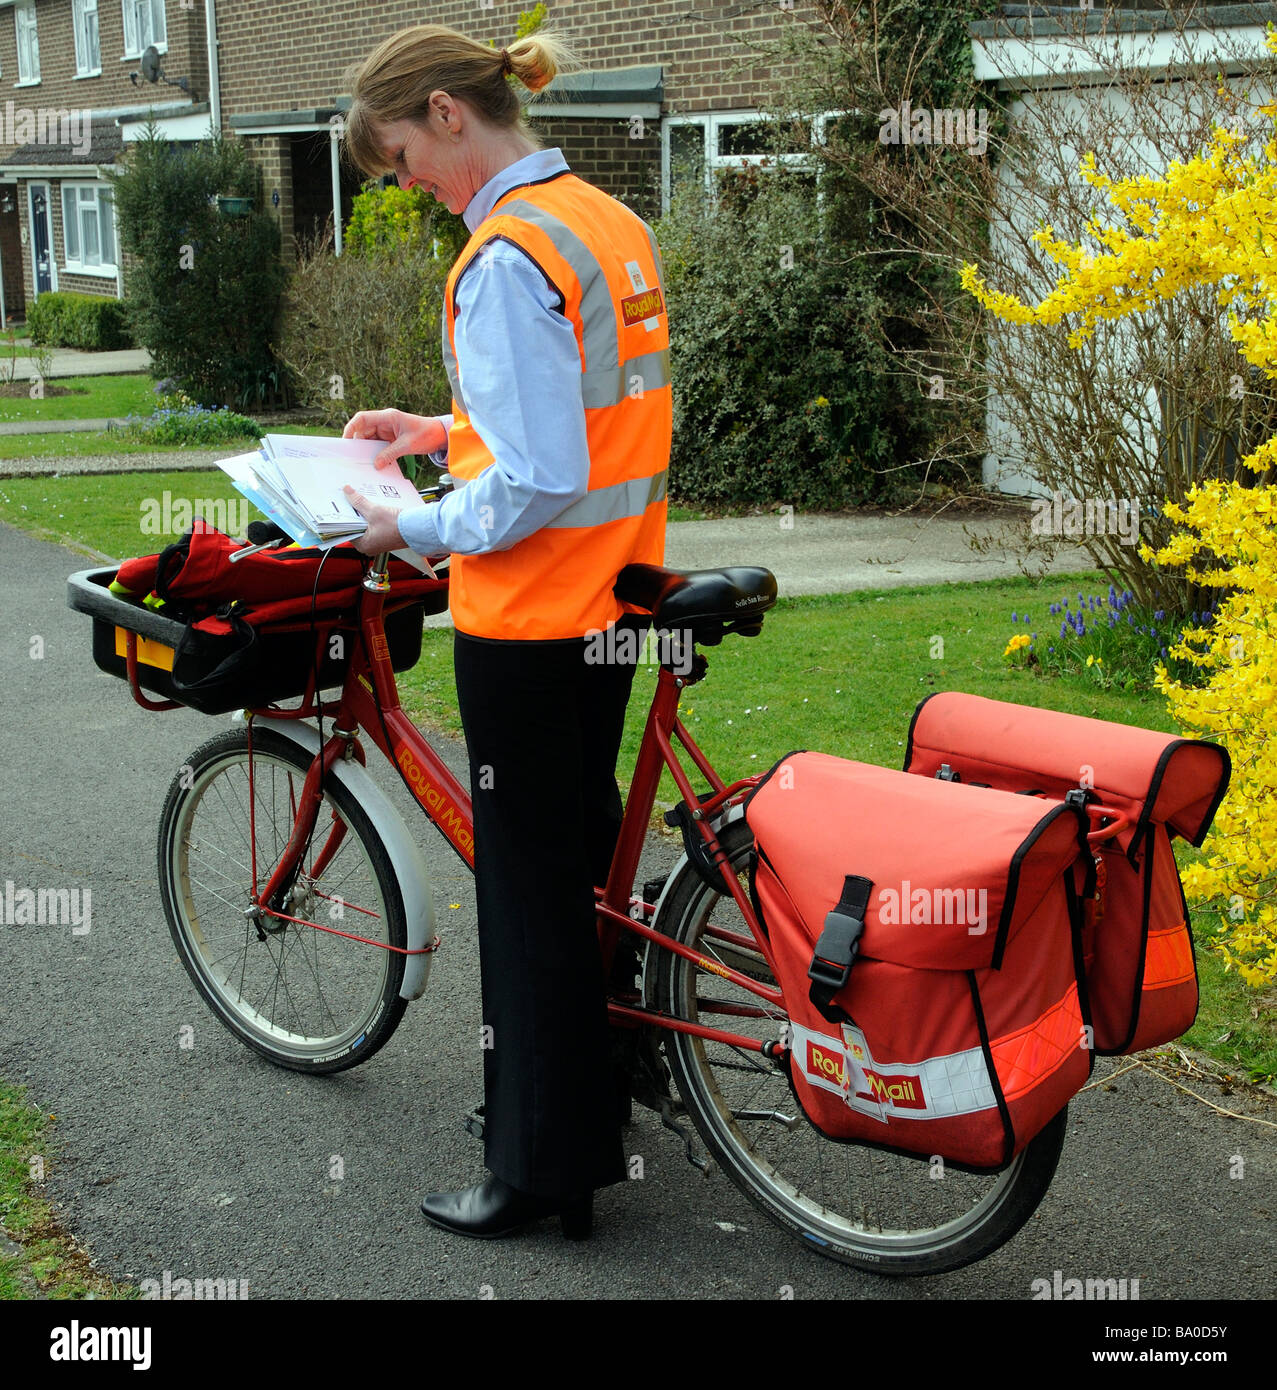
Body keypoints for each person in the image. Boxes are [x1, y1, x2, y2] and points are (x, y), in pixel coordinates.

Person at [337, 24, 671, 1241]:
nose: (410, 186)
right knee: (579, 870)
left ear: (445, 111)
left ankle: (540, 1173)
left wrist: (411, 526)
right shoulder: (602, 221)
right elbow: (579, 413)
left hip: (526, 620)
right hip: (611, 601)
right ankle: (603, 1091)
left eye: (401, 159)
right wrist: (440, 431)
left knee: (529, 904)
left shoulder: (502, 257)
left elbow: (534, 474)